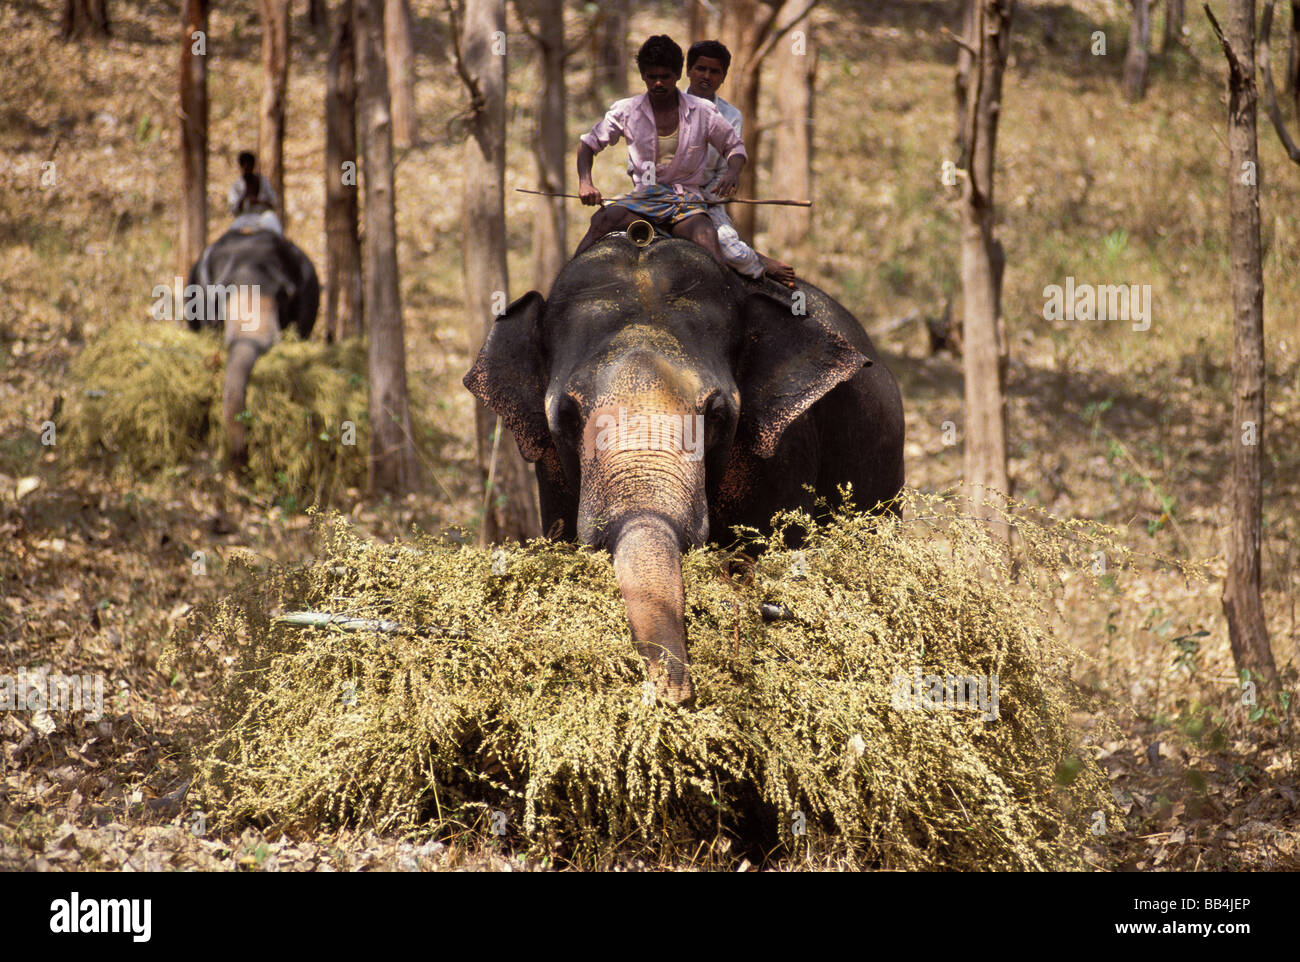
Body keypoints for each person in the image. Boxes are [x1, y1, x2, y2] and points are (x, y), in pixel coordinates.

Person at [573, 35, 745, 266]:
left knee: (707, 240)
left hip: (685, 204)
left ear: (676, 75)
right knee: (601, 221)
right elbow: (588, 145)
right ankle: (559, 294)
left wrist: (732, 172)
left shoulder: (703, 111)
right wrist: (585, 182)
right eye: (651, 77)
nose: (658, 83)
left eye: (665, 77)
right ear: (643, 75)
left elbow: (734, 147)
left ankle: (729, 296)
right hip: (643, 199)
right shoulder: (627, 110)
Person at [684, 40, 796, 288]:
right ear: (688, 70)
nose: (706, 76)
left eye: (715, 71)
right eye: (700, 69)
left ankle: (758, 261)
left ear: (723, 77)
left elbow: (725, 169)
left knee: (732, 252)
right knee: (610, 225)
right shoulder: (668, 105)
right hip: (664, 196)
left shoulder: (731, 115)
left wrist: (708, 196)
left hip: (705, 202)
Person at [227, 151, 282, 234]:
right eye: (245, 167)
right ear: (241, 167)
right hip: (245, 217)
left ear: (253, 166)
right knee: (232, 232)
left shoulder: (262, 181)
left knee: (274, 225)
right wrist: (244, 197)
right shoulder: (237, 185)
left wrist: (259, 201)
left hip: (262, 216)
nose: (247, 170)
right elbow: (234, 210)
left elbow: (274, 202)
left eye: (250, 166)